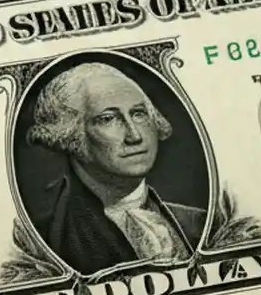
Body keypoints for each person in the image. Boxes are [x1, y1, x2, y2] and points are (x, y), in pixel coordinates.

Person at [26, 62, 206, 275]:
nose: (135, 136)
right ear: (69, 135)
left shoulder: (199, 223)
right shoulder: (43, 240)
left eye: (139, 114)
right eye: (108, 119)